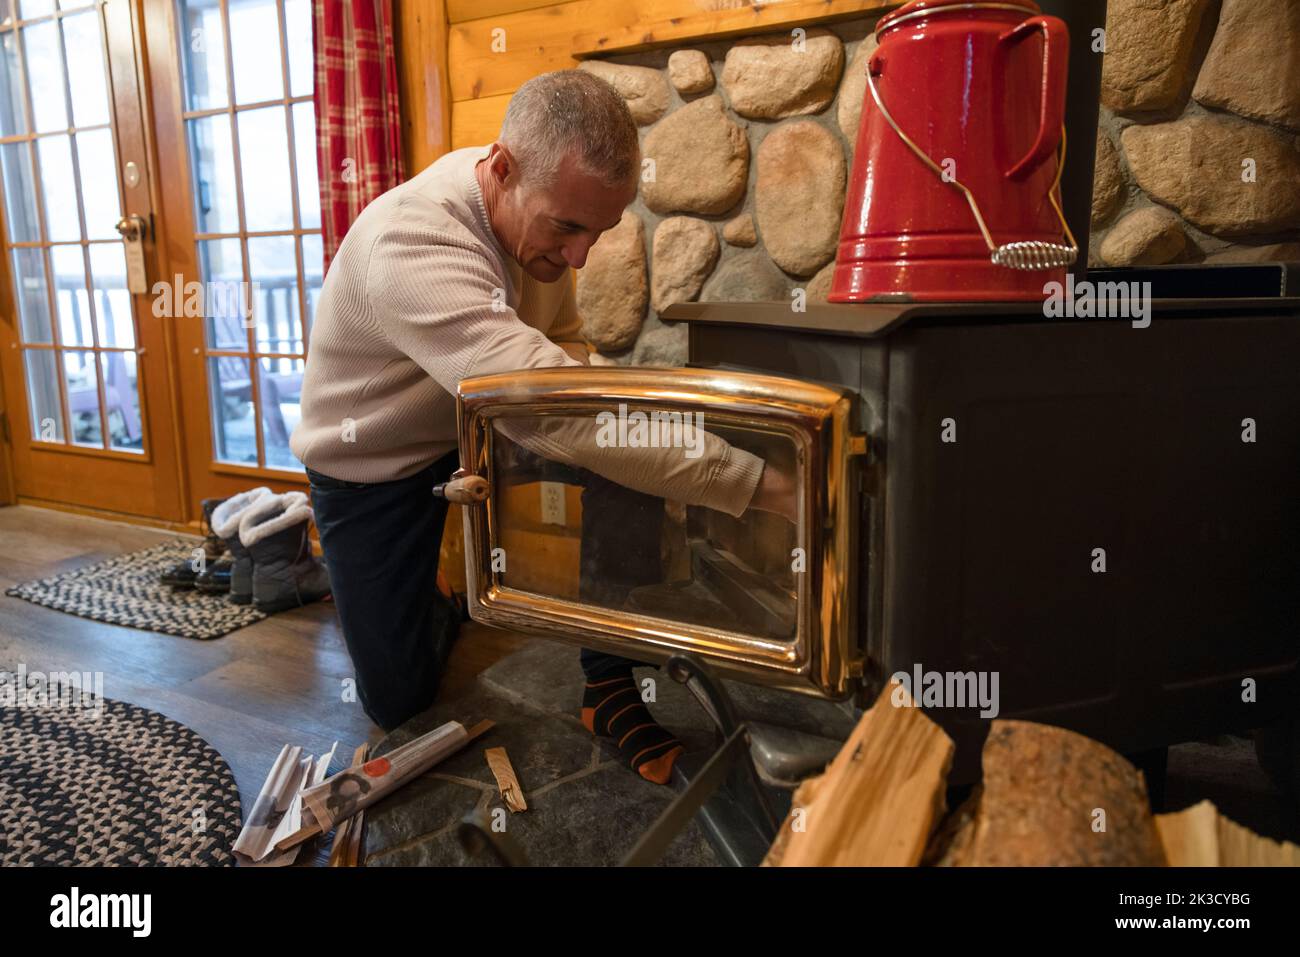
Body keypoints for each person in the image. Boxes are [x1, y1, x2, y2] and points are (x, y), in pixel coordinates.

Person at [290, 69, 791, 784]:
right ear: (501, 169)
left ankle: (610, 684)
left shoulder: (541, 214)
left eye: (602, 231)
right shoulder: (411, 243)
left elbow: (572, 358)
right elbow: (556, 409)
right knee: (398, 698)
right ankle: (432, 596)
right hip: (370, 464)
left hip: (471, 428)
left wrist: (574, 418)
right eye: (569, 229)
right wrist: (758, 483)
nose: (582, 256)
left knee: (619, 454)